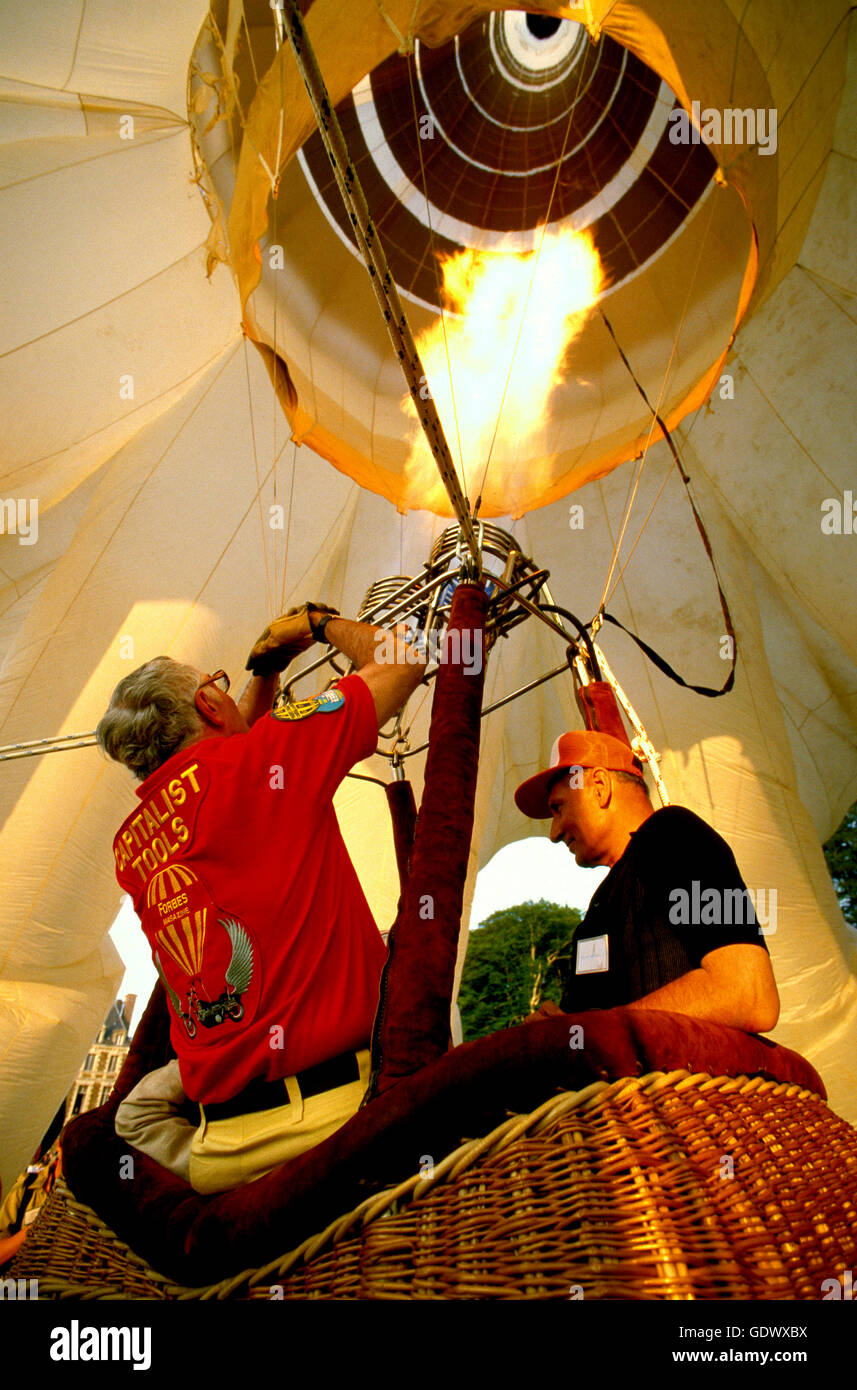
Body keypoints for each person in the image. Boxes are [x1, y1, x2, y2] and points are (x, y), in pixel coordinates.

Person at [95, 603, 425, 1192]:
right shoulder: (270, 756)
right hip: (335, 1125)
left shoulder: (132, 846)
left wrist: (263, 676)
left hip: (217, 1151)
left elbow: (214, 779)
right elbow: (404, 656)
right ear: (208, 704)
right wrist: (317, 624)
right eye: (215, 684)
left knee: (137, 1112)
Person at [514, 730, 780, 1032]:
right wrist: (557, 1027)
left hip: (688, 1078)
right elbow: (585, 1028)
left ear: (600, 787)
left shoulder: (673, 835)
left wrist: (597, 1029)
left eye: (558, 807)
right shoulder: (598, 910)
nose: (554, 833)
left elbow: (749, 996)